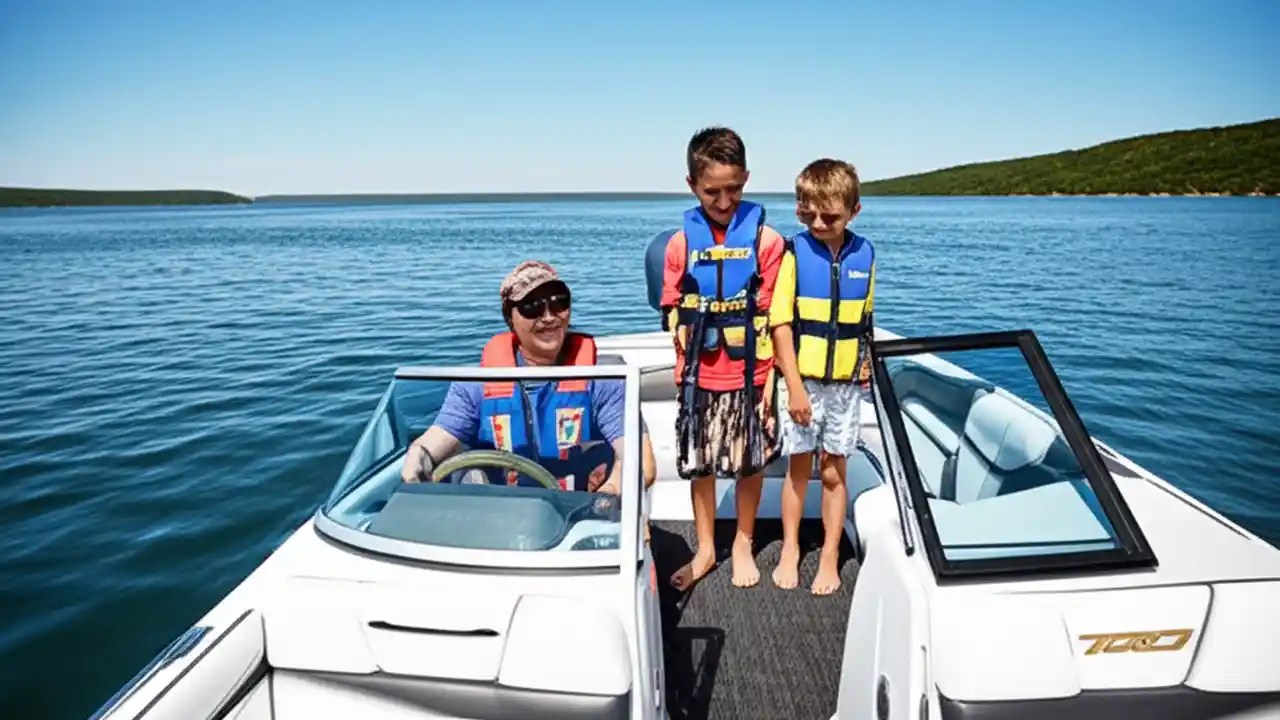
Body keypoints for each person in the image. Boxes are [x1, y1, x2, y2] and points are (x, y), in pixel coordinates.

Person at [401, 260, 656, 493]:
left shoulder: (604, 380)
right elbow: (432, 444)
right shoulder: (473, 387)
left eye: (559, 302)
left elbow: (640, 460)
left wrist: (610, 493)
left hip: (583, 514)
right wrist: (418, 459)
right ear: (509, 319)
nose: (549, 317)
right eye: (531, 307)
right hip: (501, 516)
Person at [659, 127, 786, 589]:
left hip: (751, 373)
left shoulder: (767, 242)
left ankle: (743, 542)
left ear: (747, 179)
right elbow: (672, 306)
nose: (724, 199)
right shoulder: (679, 245)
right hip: (698, 375)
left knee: (750, 461)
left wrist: (772, 381)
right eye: (712, 191)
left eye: (734, 188)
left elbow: (775, 314)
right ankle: (707, 549)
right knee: (703, 463)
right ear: (692, 184)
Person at [769, 159, 875, 595]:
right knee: (797, 471)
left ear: (854, 211)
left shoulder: (865, 253)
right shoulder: (794, 254)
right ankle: (791, 547)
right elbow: (780, 325)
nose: (817, 222)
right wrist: (794, 387)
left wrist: (864, 359)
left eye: (829, 216)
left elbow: (864, 314)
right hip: (804, 382)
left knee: (833, 473)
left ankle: (830, 553)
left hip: (845, 384)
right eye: (806, 214)